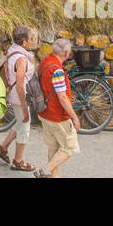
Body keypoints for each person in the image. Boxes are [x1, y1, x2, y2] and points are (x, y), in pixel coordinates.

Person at [0, 26, 37, 173]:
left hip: (13, 94)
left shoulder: (12, 50)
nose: (33, 41)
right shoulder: (21, 58)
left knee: (19, 122)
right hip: (20, 96)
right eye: (31, 39)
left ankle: (2, 148)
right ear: (24, 42)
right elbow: (20, 84)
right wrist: (25, 107)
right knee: (25, 126)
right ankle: (18, 161)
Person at [36, 37, 81, 178]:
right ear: (66, 53)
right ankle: (44, 170)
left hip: (44, 113)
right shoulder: (57, 71)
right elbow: (62, 97)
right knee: (69, 148)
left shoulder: (45, 62)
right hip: (57, 116)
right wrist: (74, 117)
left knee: (54, 148)